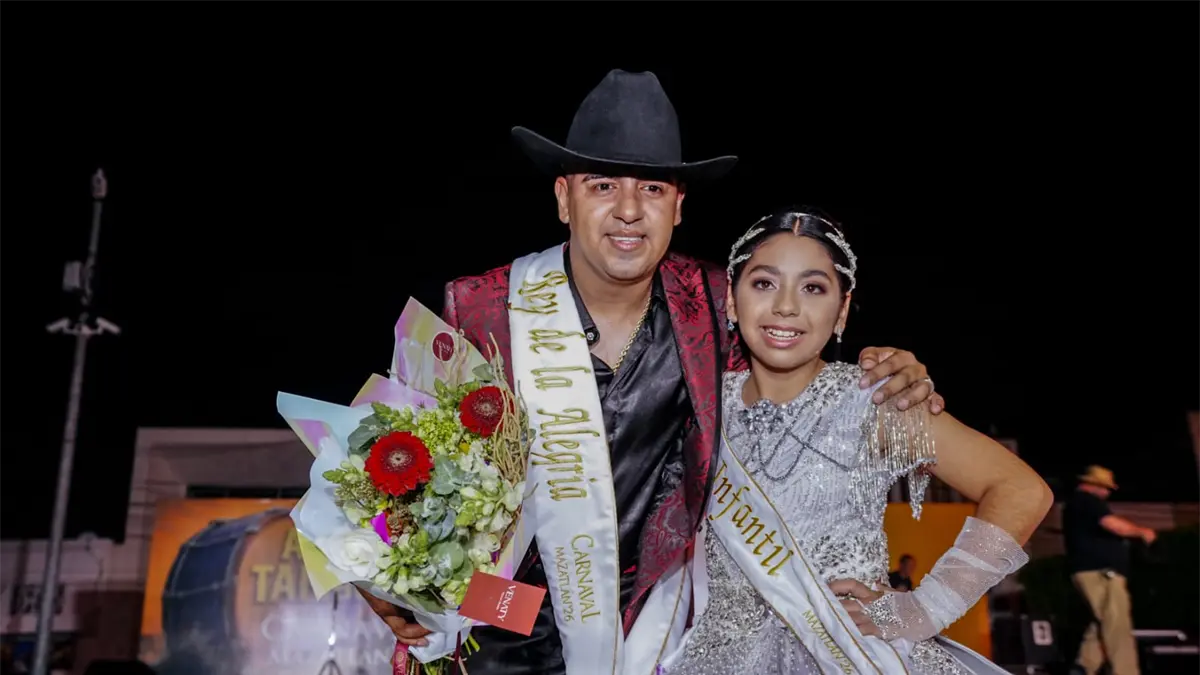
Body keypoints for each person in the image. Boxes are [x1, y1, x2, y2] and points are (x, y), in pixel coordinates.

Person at [359, 70, 943, 675]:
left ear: (678, 207)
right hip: (500, 621)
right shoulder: (481, 306)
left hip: (657, 637)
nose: (629, 211)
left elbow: (804, 375)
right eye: (603, 185)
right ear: (564, 198)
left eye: (653, 189)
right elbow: (392, 466)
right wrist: (380, 569)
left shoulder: (720, 307)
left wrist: (897, 372)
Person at [663, 208, 1053, 674]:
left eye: (813, 288)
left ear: (842, 310)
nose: (786, 306)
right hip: (718, 658)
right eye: (764, 283)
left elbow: (1023, 491)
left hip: (849, 654)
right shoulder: (699, 408)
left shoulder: (876, 399)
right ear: (730, 299)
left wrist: (919, 610)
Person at [1063, 465, 1154, 675]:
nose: (1107, 493)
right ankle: (1126, 671)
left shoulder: (1076, 505)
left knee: (1103, 620)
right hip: (1101, 572)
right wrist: (1142, 532)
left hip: (1091, 570)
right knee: (1117, 624)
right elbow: (1112, 524)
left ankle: (1084, 666)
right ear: (1093, 485)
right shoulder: (1087, 501)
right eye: (1105, 488)